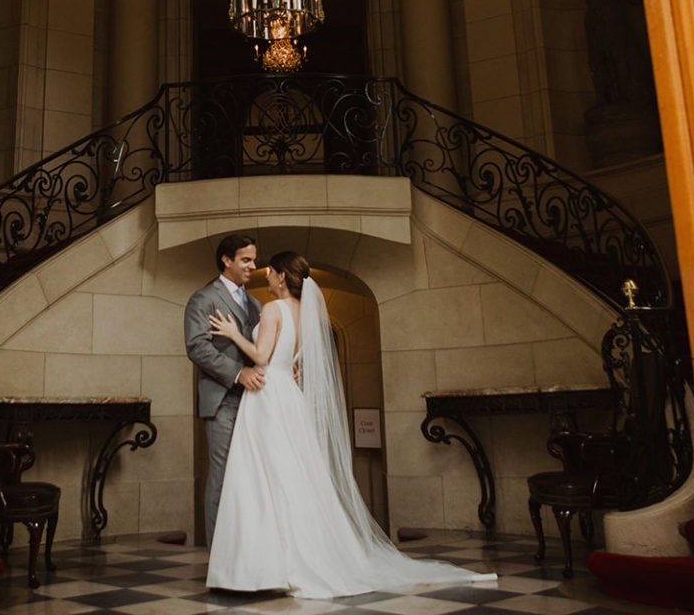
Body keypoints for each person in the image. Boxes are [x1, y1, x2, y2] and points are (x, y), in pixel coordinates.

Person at [204, 251, 495, 598]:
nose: (265, 276)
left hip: (267, 395)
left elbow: (263, 357)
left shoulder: (272, 309)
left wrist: (234, 334)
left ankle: (262, 566)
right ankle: (284, 559)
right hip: (290, 397)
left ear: (282, 276)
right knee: (292, 477)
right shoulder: (307, 313)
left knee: (262, 476)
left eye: (271, 272)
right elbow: (290, 360)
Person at [184, 233, 266, 546]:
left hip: (256, 400)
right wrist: (237, 373)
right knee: (223, 477)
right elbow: (196, 347)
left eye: (254, 259)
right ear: (226, 260)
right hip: (222, 400)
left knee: (249, 477)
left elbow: (261, 348)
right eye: (246, 260)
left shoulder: (256, 303)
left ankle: (246, 551)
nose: (253, 266)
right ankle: (219, 555)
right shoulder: (203, 298)